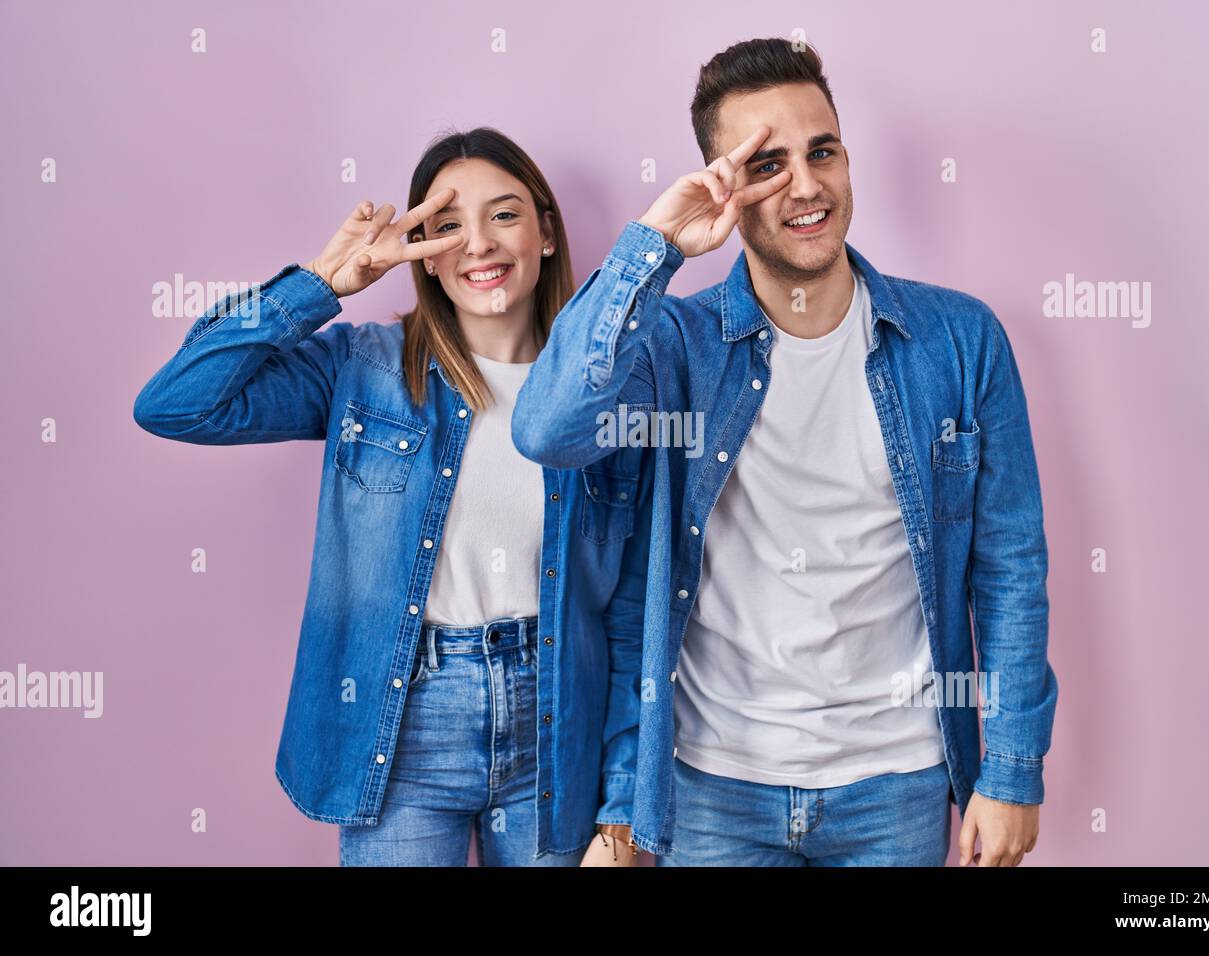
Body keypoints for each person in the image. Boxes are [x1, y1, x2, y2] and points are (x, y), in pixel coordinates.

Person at [512, 38, 1058, 866]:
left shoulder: (960, 340)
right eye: (767, 165)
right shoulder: (672, 347)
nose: (807, 186)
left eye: (823, 152)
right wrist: (653, 248)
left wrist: (1012, 770)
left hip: (897, 782)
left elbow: (1010, 564)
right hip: (712, 787)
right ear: (723, 188)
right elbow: (547, 429)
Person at [134, 127, 649, 867]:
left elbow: (628, 613)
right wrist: (319, 282)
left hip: (556, 727)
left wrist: (622, 813)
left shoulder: (611, 396)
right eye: (445, 226)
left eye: (503, 214)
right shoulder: (366, 368)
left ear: (544, 231)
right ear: (425, 256)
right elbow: (177, 402)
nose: (478, 242)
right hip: (406, 722)